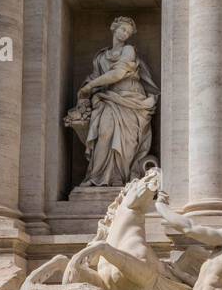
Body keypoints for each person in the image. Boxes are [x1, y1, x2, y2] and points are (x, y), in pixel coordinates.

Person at [66, 17, 159, 188]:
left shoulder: (129, 50)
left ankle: (119, 178)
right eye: (123, 29)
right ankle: (96, 177)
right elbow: (94, 77)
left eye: (129, 32)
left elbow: (117, 74)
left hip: (131, 100)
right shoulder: (101, 56)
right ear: (113, 28)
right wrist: (86, 89)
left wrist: (92, 85)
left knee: (127, 142)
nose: (125, 34)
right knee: (104, 134)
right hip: (109, 98)